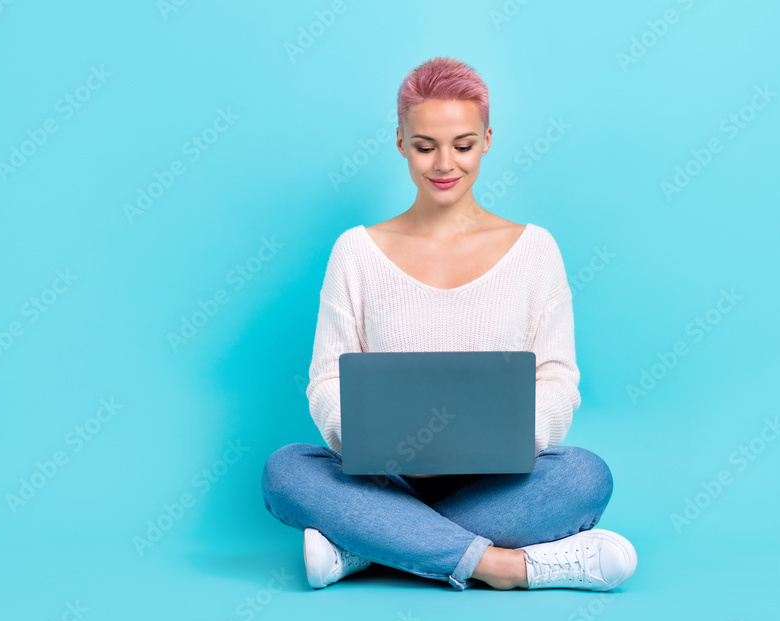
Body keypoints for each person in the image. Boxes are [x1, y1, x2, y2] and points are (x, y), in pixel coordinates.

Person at [261, 56, 637, 592]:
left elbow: (558, 379)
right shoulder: (356, 252)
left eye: (462, 145)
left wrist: (509, 439)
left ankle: (367, 545)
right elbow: (326, 379)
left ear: (487, 139)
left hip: (499, 482)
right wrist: (370, 439)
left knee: (584, 476)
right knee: (286, 470)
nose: (444, 163)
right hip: (383, 480)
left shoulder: (535, 251)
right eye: (424, 146)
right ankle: (506, 567)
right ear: (399, 143)